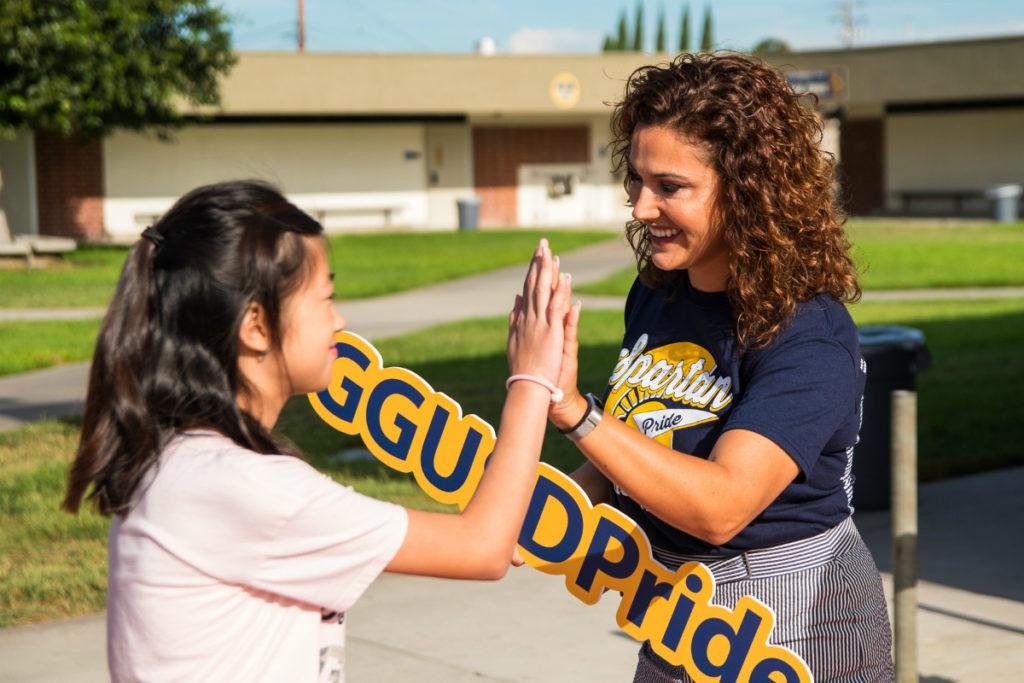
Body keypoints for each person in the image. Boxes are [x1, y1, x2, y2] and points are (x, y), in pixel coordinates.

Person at [62, 180, 574, 682]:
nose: (339, 319)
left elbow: (484, 538)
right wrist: (531, 377)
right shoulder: (245, 487)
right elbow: (481, 548)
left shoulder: (188, 463)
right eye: (325, 298)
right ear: (256, 326)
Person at [548, 53, 894, 681]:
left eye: (669, 187)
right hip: (676, 607)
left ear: (748, 190)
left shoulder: (809, 332)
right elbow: (636, 443)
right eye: (637, 180)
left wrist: (574, 411)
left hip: (795, 620)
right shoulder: (658, 292)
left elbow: (721, 505)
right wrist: (544, 505)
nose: (640, 208)